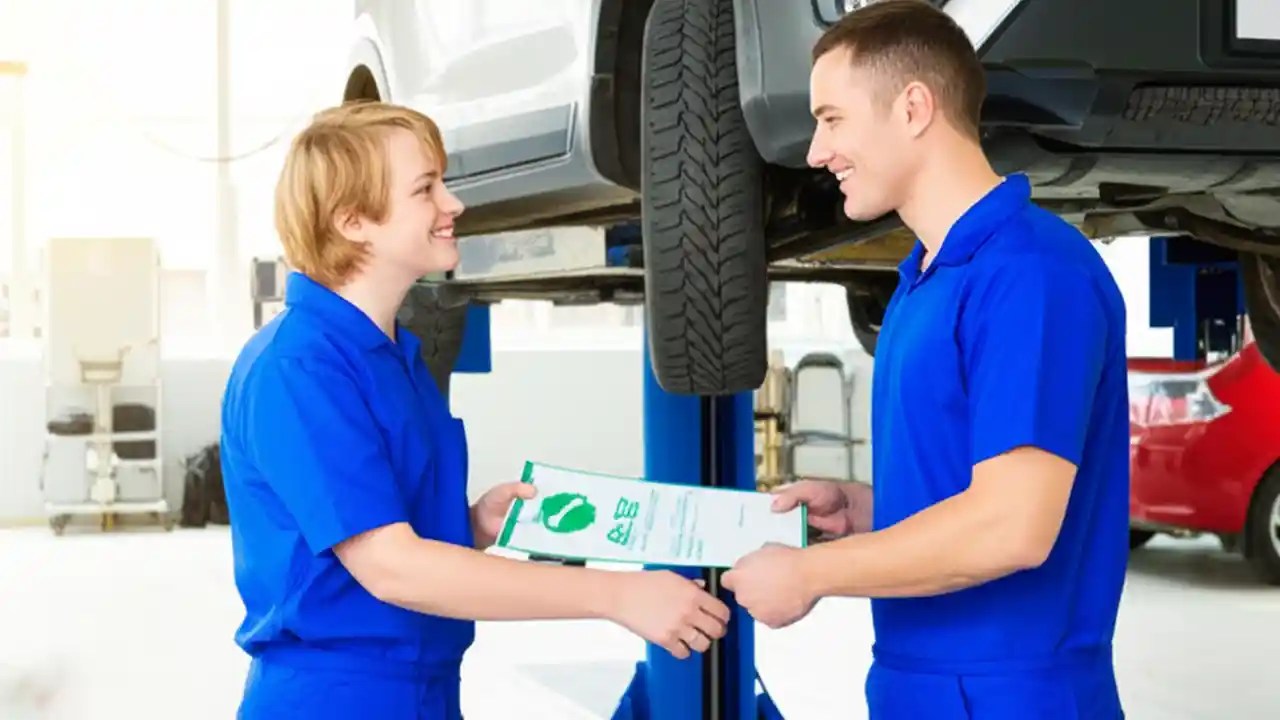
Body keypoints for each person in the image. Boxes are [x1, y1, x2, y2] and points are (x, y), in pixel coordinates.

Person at [220, 100, 730, 719]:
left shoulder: (390, 357)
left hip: (421, 689)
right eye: (425, 189)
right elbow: (392, 569)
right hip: (337, 698)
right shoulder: (299, 367)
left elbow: (371, 534)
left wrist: (471, 524)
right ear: (354, 221)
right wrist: (616, 594)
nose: (453, 204)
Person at [721, 2, 1130, 718]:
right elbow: (972, 490)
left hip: (1010, 697)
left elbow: (1011, 527)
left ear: (912, 108)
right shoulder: (925, 281)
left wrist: (813, 573)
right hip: (919, 685)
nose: (815, 152)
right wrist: (866, 511)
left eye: (832, 119)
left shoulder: (1031, 274)